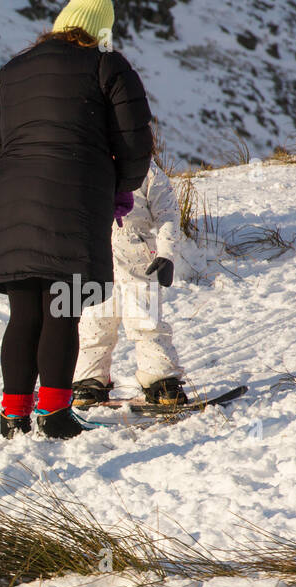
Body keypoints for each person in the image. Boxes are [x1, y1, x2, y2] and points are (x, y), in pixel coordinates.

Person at [0, 0, 154, 439]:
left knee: (23, 314)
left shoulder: (11, 71)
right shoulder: (107, 67)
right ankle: (54, 413)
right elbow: (135, 143)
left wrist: (20, 178)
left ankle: (13, 413)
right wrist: (119, 186)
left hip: (12, 203)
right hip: (76, 203)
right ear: (99, 32)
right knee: (63, 309)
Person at [72, 157, 189, 406]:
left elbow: (167, 211)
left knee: (145, 317)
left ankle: (160, 378)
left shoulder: (143, 167)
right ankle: (89, 380)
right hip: (93, 249)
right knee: (94, 318)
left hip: (136, 251)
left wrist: (167, 253)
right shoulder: (86, 156)